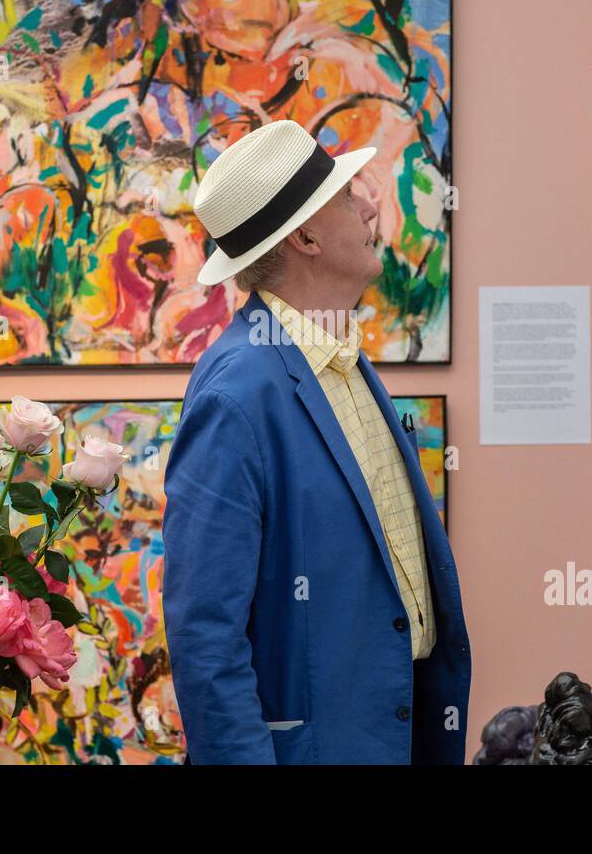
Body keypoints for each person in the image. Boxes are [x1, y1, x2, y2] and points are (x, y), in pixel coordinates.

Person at [161, 118, 471, 764]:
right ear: (304, 236)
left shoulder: (343, 362)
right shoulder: (237, 393)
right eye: (343, 196)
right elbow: (205, 638)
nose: (366, 204)